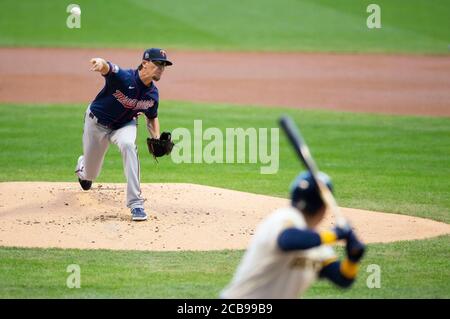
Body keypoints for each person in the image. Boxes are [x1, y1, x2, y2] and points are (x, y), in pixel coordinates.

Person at [220, 171, 366, 298]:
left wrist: (353, 258)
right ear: (324, 208)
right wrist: (336, 234)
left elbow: (343, 278)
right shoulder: (284, 218)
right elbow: (288, 240)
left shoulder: (315, 241)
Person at [75, 48, 173, 221]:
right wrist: (100, 63)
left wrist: (156, 137)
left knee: (128, 145)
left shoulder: (153, 94)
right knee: (90, 175)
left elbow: (152, 118)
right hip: (96, 123)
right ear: (144, 63)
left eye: (163, 65)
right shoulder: (125, 77)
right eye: (157, 63)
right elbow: (109, 68)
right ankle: (82, 167)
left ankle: (136, 204)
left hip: (125, 125)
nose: (161, 68)